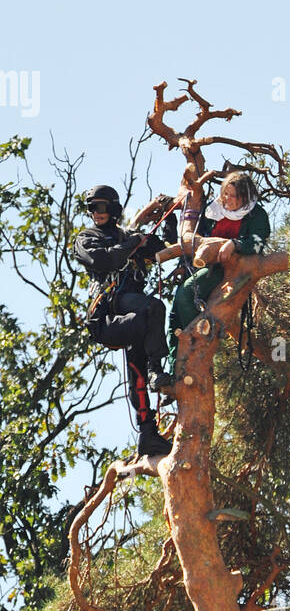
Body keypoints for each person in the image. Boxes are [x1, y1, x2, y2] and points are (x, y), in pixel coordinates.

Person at [74, 185, 174, 459]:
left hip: (133, 315)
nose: (95, 213)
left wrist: (169, 215)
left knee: (137, 366)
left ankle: (147, 434)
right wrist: (132, 243)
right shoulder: (87, 237)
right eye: (91, 208)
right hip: (108, 314)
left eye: (100, 207)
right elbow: (101, 259)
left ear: (113, 209)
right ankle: (156, 369)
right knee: (153, 307)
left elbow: (163, 249)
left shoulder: (128, 236)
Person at [162, 171, 270, 383]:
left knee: (187, 293)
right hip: (203, 264)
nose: (227, 199)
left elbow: (257, 243)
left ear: (245, 197)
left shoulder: (256, 214)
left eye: (233, 196)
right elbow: (199, 237)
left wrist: (235, 244)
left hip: (228, 270)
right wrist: (183, 264)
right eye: (225, 194)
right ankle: (176, 371)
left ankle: (197, 342)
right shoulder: (213, 209)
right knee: (174, 315)